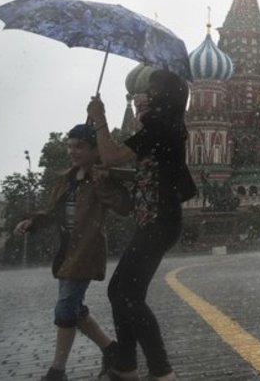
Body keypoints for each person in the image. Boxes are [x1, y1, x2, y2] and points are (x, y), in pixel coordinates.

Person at [87, 69, 197, 381]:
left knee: (127, 295)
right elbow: (149, 172)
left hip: (159, 220)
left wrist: (99, 118)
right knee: (119, 291)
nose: (146, 95)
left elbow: (110, 155)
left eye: (153, 89)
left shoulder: (160, 127)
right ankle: (126, 365)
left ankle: (160, 371)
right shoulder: (166, 127)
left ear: (166, 96)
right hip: (156, 219)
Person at [14, 124, 130, 381]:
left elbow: (123, 206)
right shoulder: (66, 178)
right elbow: (52, 212)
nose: (72, 151)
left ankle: (57, 371)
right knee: (73, 309)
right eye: (70, 146)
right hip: (66, 251)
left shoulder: (101, 177)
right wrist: (31, 222)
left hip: (86, 251)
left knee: (65, 309)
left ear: (93, 150)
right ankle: (112, 350)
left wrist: (102, 184)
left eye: (79, 146)